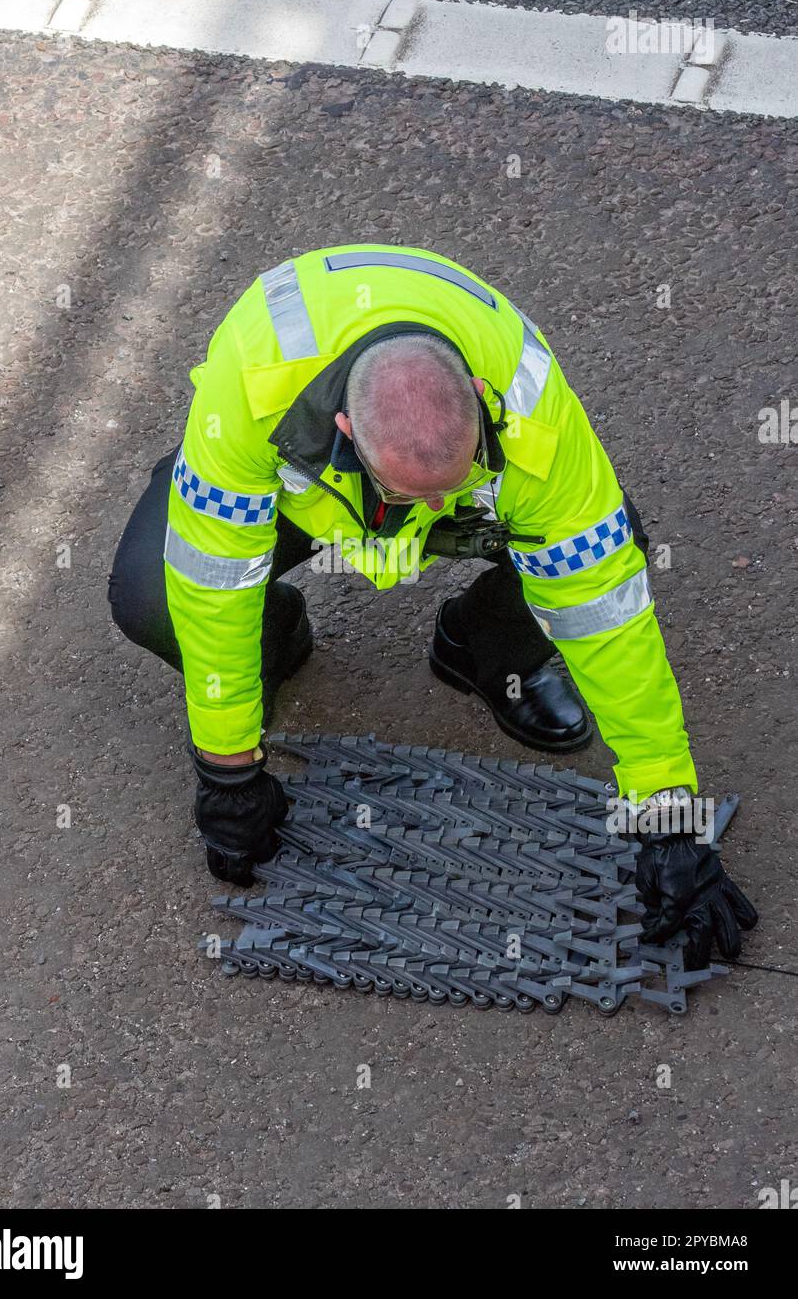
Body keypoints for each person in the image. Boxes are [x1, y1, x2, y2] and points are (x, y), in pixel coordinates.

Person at [109, 244, 756, 969]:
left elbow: (604, 604)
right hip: (296, 488)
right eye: (419, 491)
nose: (441, 506)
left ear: (480, 394)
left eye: (451, 481)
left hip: (457, 484)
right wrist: (226, 767)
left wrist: (665, 813)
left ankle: (484, 645)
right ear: (349, 434)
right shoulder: (252, 388)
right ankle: (278, 637)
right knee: (154, 597)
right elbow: (211, 585)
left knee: (611, 542)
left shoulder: (530, 408)